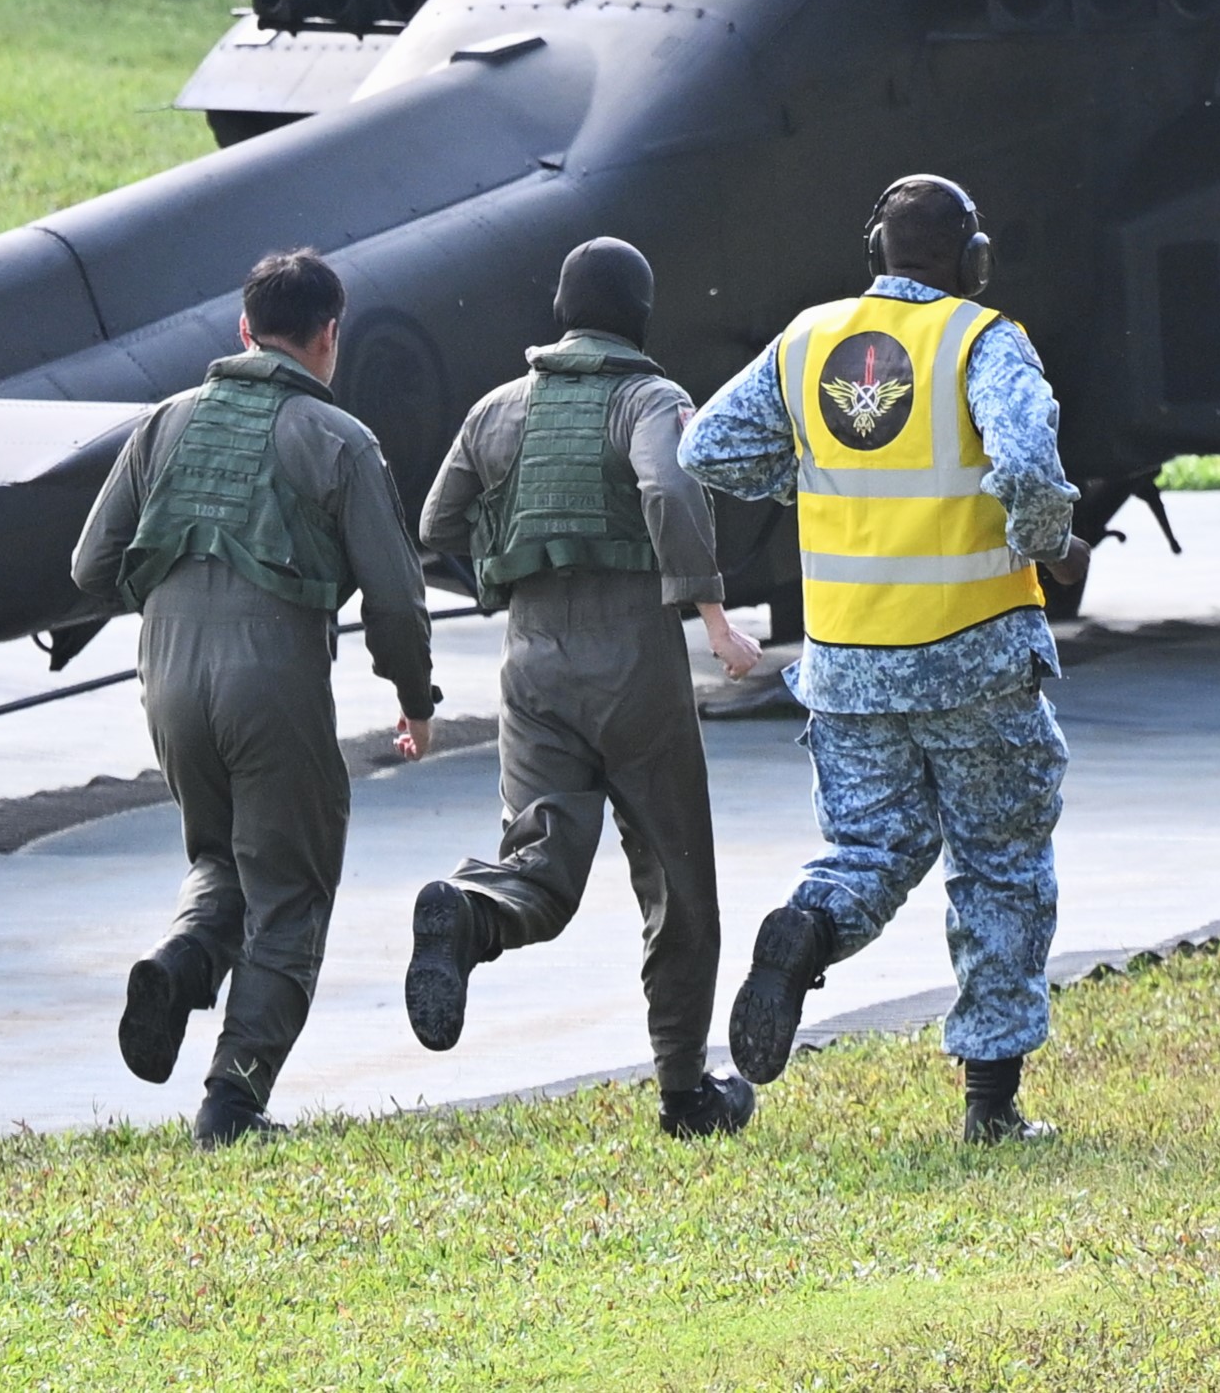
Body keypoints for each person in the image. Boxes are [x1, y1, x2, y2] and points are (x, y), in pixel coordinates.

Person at [684, 174, 1080, 1145]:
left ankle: (806, 930)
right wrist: (1043, 538)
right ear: (972, 257)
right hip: (974, 657)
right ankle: (991, 1102)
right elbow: (1029, 466)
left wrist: (803, 475)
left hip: (851, 660)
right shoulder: (984, 340)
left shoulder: (811, 338)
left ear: (878, 251)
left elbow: (706, 447)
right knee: (1000, 864)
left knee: (870, 847)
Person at [400, 236, 773, 1134]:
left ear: (561, 312)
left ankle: (468, 910)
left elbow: (437, 520)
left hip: (531, 660)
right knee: (678, 881)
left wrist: (517, 559)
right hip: (632, 657)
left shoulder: (498, 408)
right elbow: (672, 492)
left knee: (541, 860)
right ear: (640, 316)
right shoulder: (650, 397)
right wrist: (712, 614)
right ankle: (685, 1092)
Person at [70, 247, 442, 1143]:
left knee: (224, 860)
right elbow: (395, 595)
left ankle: (182, 959)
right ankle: (233, 1102)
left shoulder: (164, 422)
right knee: (292, 888)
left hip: (166, 680)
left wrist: (174, 603)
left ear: (243, 331)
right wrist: (414, 694)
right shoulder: (340, 441)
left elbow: (89, 567)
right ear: (328, 338)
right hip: (269, 678)